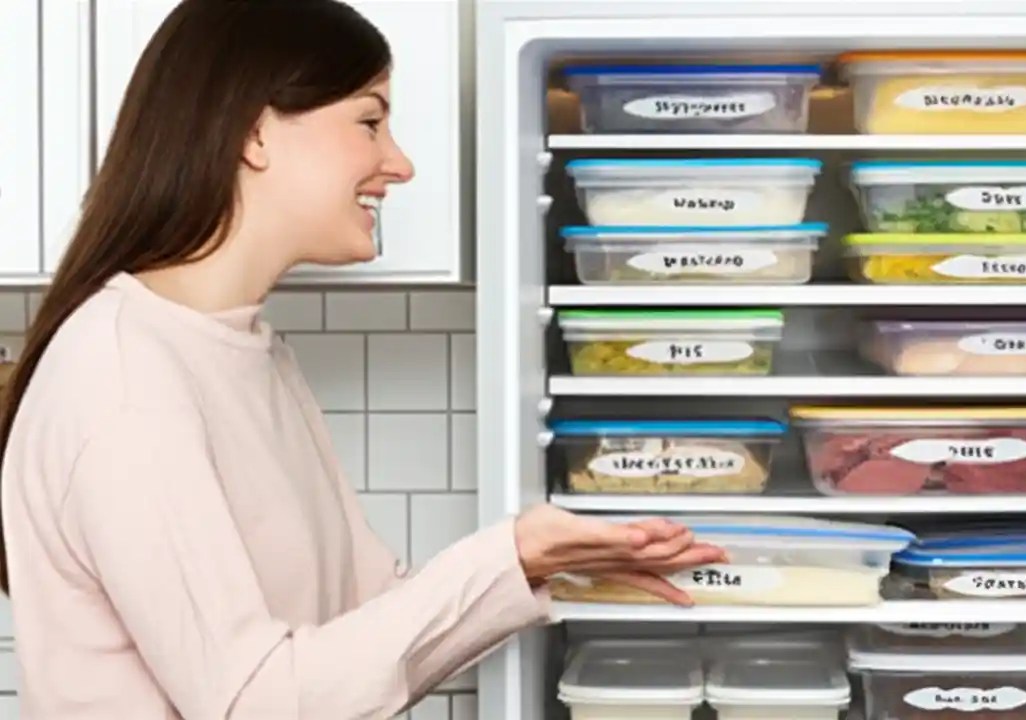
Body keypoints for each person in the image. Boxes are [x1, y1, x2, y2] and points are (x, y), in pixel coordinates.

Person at [0, 1, 725, 718]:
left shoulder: (241, 349)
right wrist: (507, 554)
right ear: (255, 132)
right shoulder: (128, 380)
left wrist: (544, 563)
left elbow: (366, 619)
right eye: (370, 121)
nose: (399, 164)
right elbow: (253, 702)